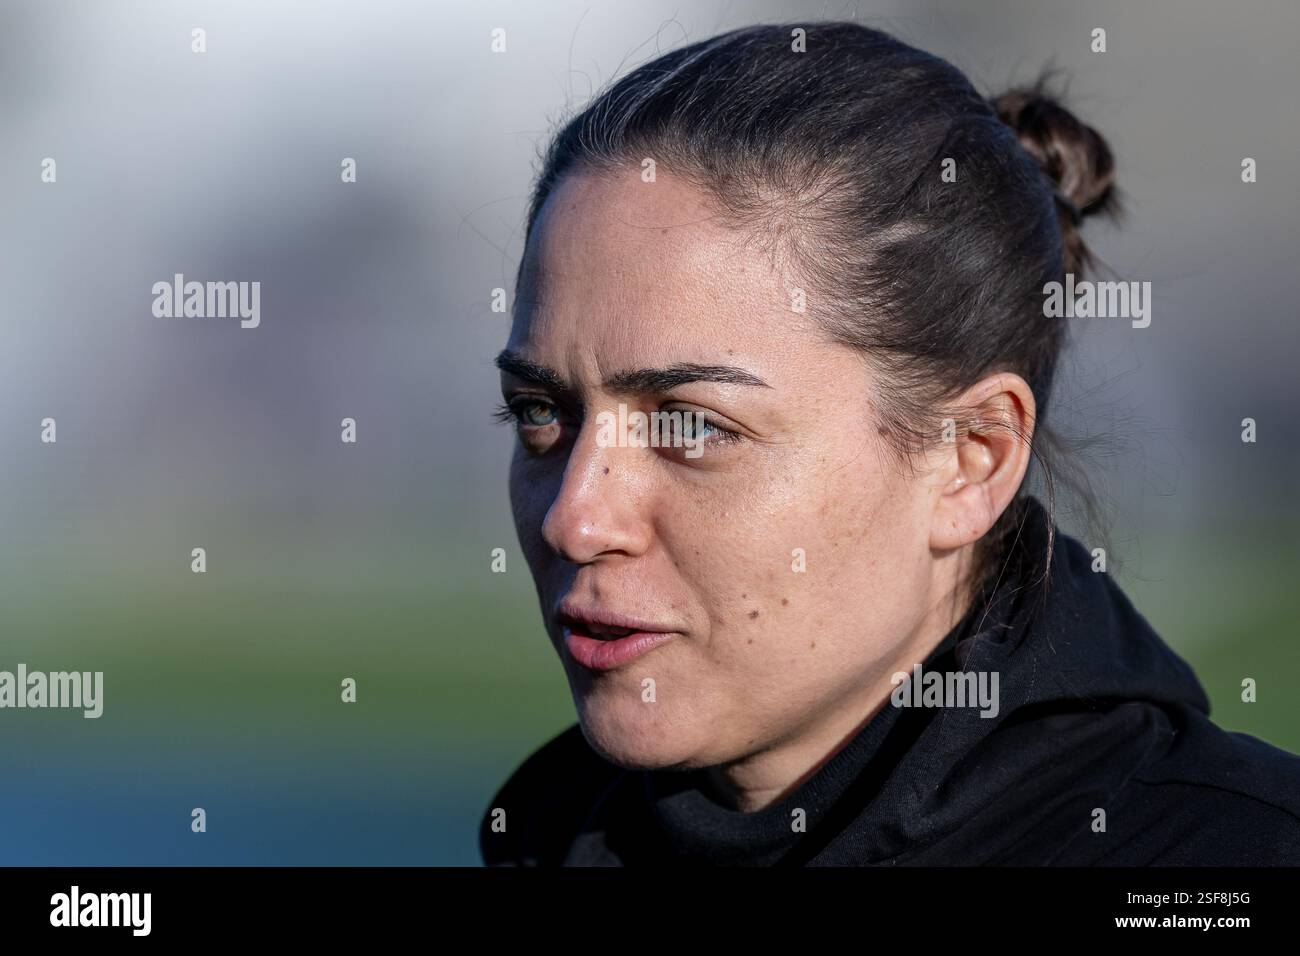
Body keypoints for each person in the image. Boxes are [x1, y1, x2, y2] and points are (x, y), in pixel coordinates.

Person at [480, 21, 1300, 865]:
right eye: (542, 412)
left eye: (692, 425)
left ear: (969, 459)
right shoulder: (548, 835)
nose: (575, 520)